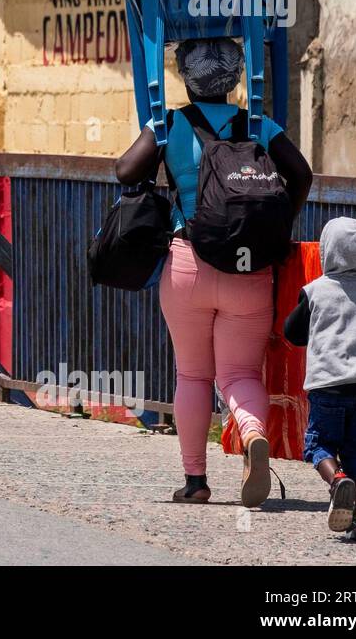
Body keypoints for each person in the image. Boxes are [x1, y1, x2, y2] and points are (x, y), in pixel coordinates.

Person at [115, 37, 312, 506]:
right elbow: (301, 174)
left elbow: (125, 171)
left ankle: (195, 481)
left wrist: (157, 133)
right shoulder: (259, 125)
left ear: (186, 75)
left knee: (193, 375)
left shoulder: (169, 124)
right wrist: (280, 227)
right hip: (250, 268)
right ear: (237, 76)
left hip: (188, 264)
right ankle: (251, 431)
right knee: (241, 372)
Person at [284, 217, 356, 542]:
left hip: (328, 385)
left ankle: (337, 480)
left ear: (327, 251)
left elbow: (293, 333)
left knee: (318, 444)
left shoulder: (315, 291)